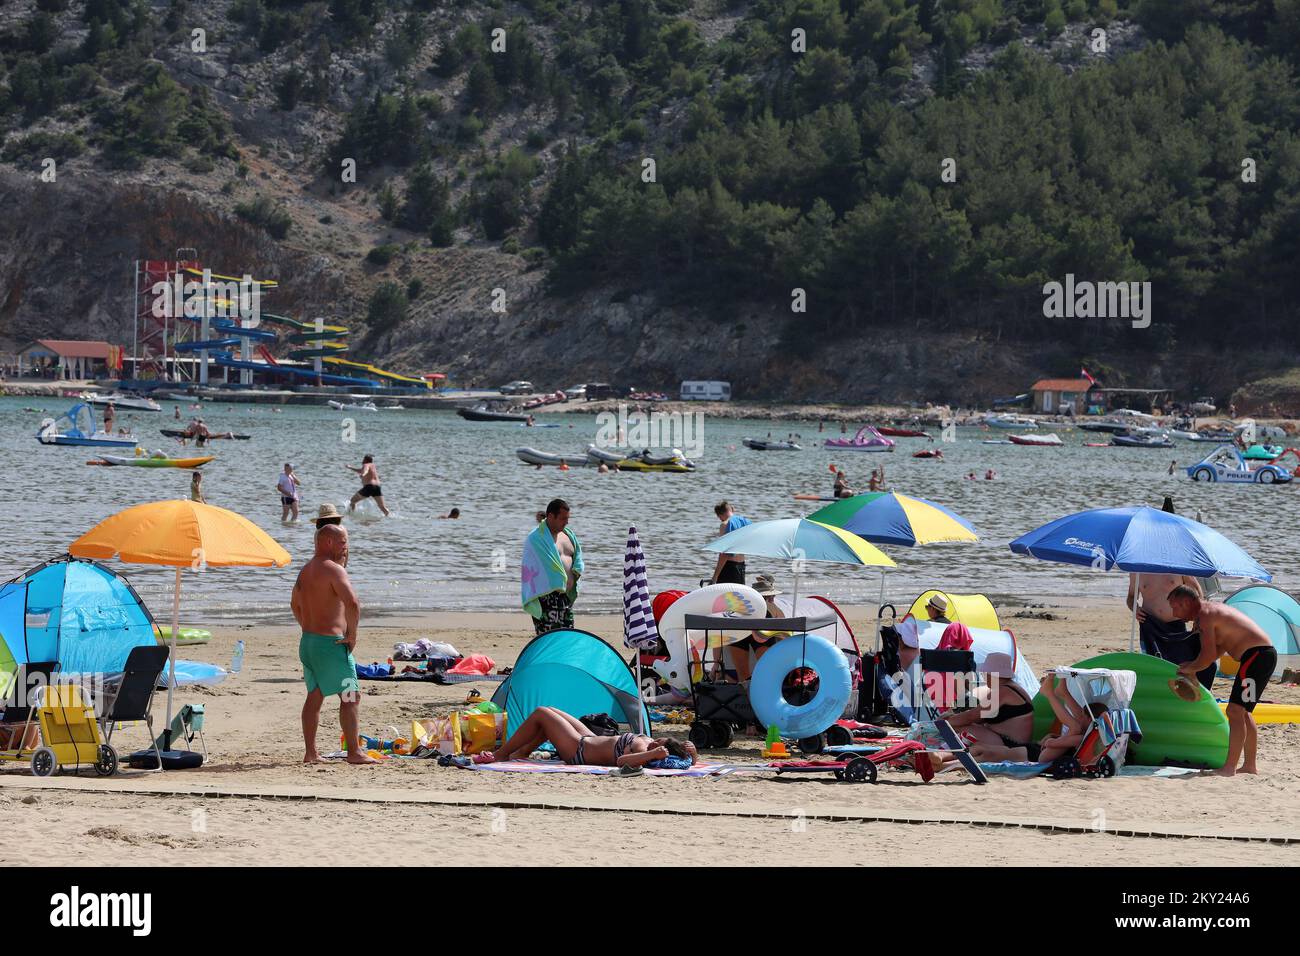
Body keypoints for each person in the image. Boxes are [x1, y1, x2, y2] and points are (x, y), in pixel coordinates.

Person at [1169, 585, 1276, 776]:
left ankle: (1229, 768)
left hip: (1256, 656)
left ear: (1186, 602)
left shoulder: (1205, 615)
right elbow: (1219, 649)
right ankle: (1249, 766)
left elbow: (1209, 654)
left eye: (1175, 607)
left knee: (1234, 710)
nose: (1174, 613)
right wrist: (1194, 665)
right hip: (1260, 655)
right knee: (1243, 712)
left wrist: (1191, 667)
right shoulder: (1209, 612)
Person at [290, 525, 374, 765]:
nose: (346, 546)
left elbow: (294, 604)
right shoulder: (333, 570)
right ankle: (354, 752)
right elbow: (353, 603)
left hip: (309, 643)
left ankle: (311, 753)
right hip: (331, 644)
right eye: (343, 542)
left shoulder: (306, 571)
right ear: (327, 542)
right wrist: (353, 635)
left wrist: (309, 626)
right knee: (351, 696)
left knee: (314, 696)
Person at [480, 706, 696, 768]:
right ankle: (523, 752)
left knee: (541, 714)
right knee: (551, 710)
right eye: (659, 740)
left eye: (659, 743)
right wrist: (693, 756)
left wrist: (652, 753)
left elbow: (622, 762)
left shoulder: (646, 752)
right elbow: (686, 762)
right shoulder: (650, 746)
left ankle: (501, 754)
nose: (655, 740)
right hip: (590, 738)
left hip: (579, 750)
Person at [1126, 573, 1213, 687]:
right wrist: (1135, 608)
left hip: (1176, 623)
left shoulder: (1177, 566)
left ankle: (1190, 691)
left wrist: (1198, 616)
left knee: (1182, 664)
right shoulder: (1137, 571)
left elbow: (1196, 591)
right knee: (1154, 665)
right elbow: (1131, 597)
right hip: (1149, 625)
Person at [522, 498, 583, 635]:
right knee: (549, 639)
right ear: (551, 516)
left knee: (568, 636)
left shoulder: (569, 536)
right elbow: (529, 571)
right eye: (563, 519)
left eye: (567, 518)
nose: (566, 522)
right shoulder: (536, 538)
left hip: (566, 597)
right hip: (546, 598)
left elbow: (577, 560)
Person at [727, 574, 785, 683]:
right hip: (761, 628)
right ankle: (761, 696)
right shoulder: (772, 608)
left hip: (739, 623)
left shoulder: (741, 607)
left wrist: (716, 663)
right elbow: (784, 635)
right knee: (765, 671)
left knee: (743, 675)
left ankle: (747, 697)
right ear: (770, 596)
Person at [710, 501, 750, 585]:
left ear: (720, 515)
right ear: (732, 509)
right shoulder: (745, 522)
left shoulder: (725, 524)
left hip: (729, 568)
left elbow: (725, 553)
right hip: (741, 567)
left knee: (725, 597)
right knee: (738, 596)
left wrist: (715, 577)